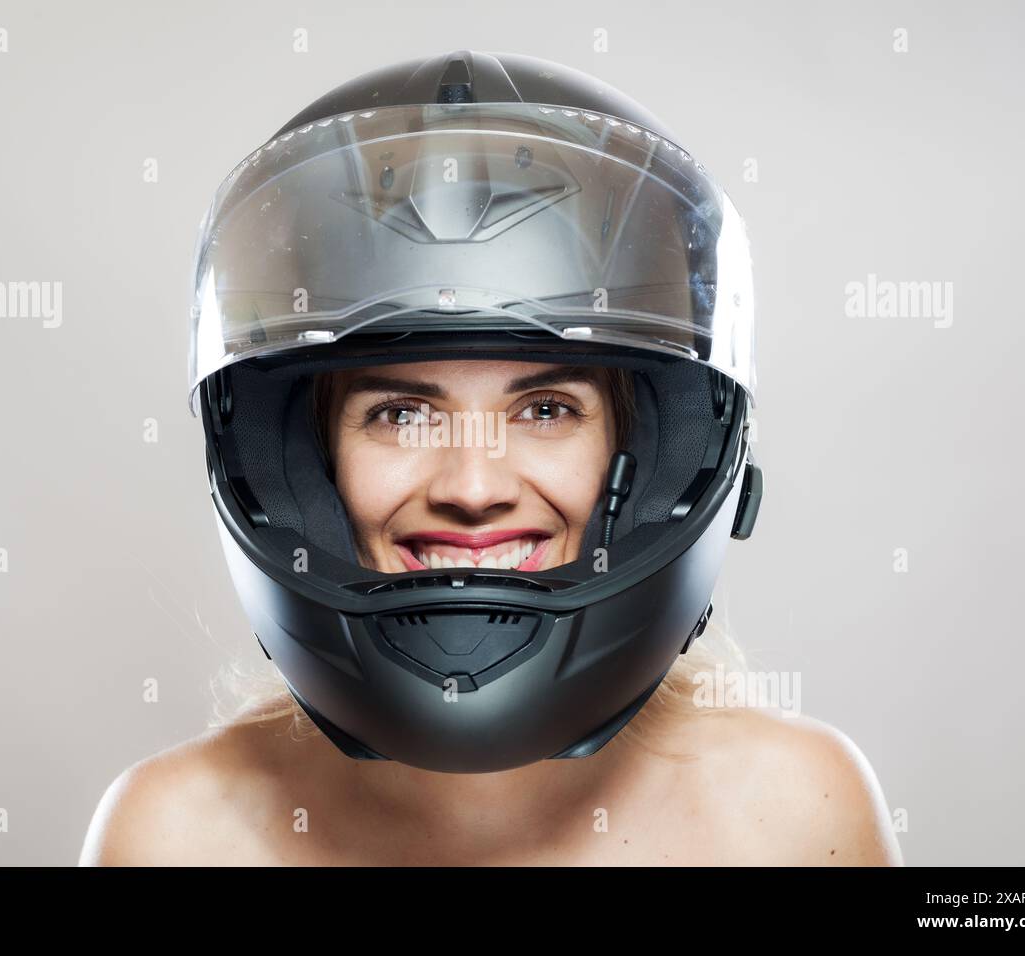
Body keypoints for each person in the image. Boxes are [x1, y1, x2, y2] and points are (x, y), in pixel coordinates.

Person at [80, 51, 902, 865]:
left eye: (545, 410)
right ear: (304, 466)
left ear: (647, 455)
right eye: (402, 414)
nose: (473, 489)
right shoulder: (176, 837)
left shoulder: (793, 815)